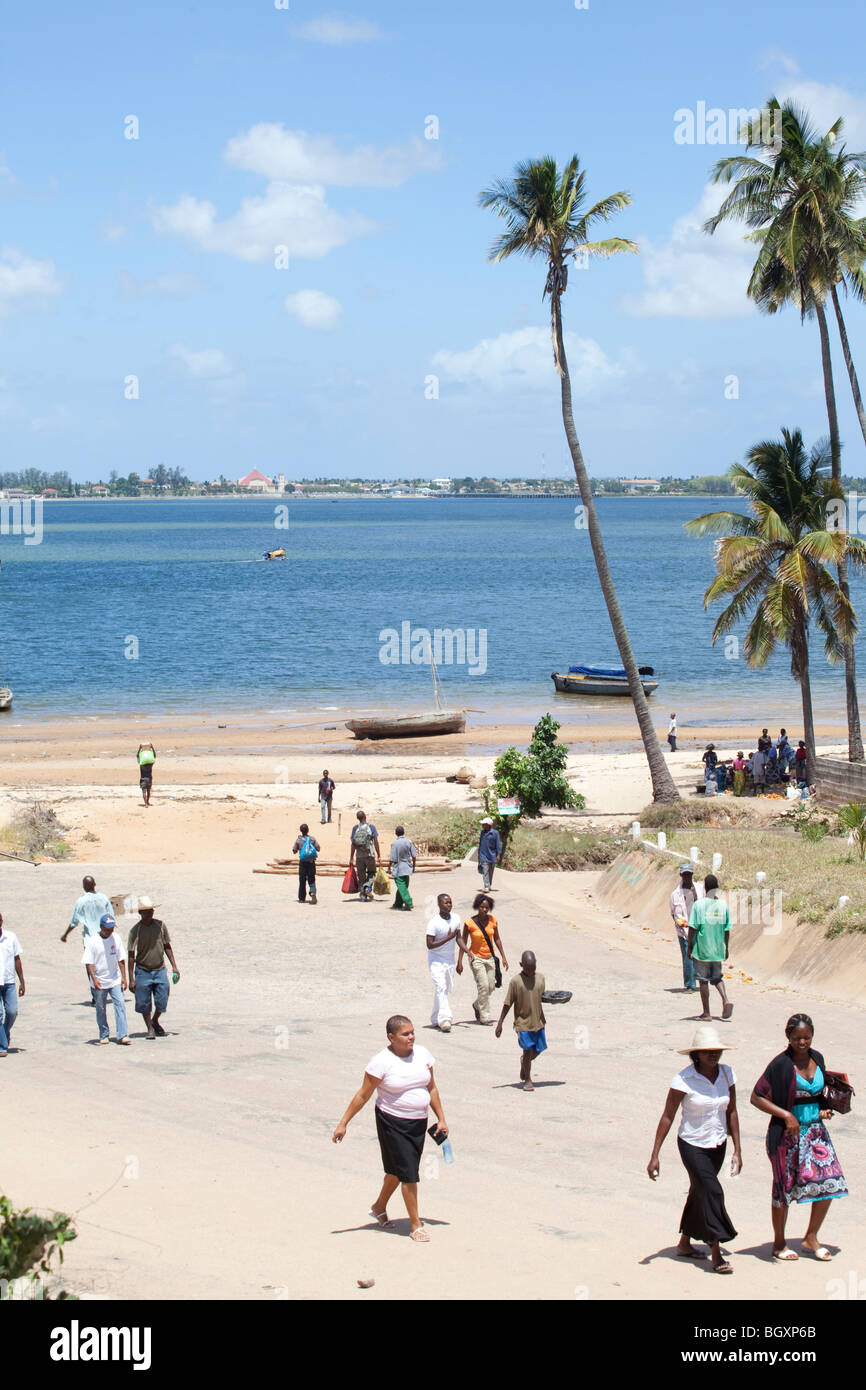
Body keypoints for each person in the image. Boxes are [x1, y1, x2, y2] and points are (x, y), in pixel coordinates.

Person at [332, 1015, 448, 1242]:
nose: (411, 1037)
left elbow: (432, 1088)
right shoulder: (381, 1062)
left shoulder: (423, 1055)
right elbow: (363, 1095)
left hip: (418, 1122)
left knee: (397, 1170)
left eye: (413, 1032)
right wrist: (343, 1123)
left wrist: (441, 1119)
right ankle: (416, 1225)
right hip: (392, 1122)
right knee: (409, 1173)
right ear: (391, 1037)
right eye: (405, 1034)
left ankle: (379, 1206)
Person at [750, 1013, 848, 1261]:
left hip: (816, 1133)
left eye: (806, 1037)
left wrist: (824, 1108)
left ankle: (811, 1236)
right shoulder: (780, 1065)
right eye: (796, 1038)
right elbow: (757, 1096)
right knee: (783, 1189)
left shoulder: (818, 1058)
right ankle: (779, 1243)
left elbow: (818, 1093)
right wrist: (786, 1115)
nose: (802, 1042)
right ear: (788, 1038)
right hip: (786, 1136)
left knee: (831, 1182)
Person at [647, 1024, 741, 1274]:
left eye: (717, 1051)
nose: (713, 1055)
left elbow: (732, 1112)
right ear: (696, 1053)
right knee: (712, 1191)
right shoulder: (683, 1079)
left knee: (699, 1191)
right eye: (707, 1051)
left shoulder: (727, 1074)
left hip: (717, 1145)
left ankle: (685, 1243)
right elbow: (667, 1116)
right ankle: (716, 1251)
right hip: (691, 1145)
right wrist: (655, 1155)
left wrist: (737, 1149)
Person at [127, 896, 179, 1040]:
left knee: (162, 1000)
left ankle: (155, 1019)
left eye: (151, 911)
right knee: (144, 1002)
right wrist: (131, 979)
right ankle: (149, 1027)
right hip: (143, 970)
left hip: (159, 969)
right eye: (146, 912)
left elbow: (167, 945)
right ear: (140, 913)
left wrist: (174, 966)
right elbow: (131, 955)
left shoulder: (160, 926)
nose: (150, 914)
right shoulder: (135, 931)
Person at [495, 949, 546, 1092]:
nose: (530, 971)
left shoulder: (541, 978)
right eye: (527, 968)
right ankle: (528, 1080)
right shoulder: (516, 982)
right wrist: (500, 1023)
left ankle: (524, 1062)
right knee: (528, 1050)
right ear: (521, 964)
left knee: (539, 1049)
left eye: (533, 967)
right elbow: (507, 1003)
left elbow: (540, 996)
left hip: (538, 1021)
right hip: (523, 1023)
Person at [688, 874, 733, 1022]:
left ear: (705, 888)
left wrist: (690, 947)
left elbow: (693, 929)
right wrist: (725, 948)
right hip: (718, 949)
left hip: (703, 950)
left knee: (703, 980)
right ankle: (725, 999)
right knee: (717, 977)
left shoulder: (698, 905)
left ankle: (706, 1013)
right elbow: (727, 930)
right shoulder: (723, 905)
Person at [61, 875, 113, 1003]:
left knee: (91, 966)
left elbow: (74, 922)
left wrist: (65, 934)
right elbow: (111, 917)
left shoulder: (81, 901)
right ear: (95, 884)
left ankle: (96, 995)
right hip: (104, 936)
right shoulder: (104, 898)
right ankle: (104, 991)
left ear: (84, 887)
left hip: (89, 939)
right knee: (104, 963)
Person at [458, 892, 508, 1024]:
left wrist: (503, 957)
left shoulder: (493, 920)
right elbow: (462, 942)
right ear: (477, 907)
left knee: (491, 987)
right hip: (476, 958)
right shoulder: (469, 923)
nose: (484, 910)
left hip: (490, 958)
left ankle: (476, 1005)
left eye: (486, 907)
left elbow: (497, 939)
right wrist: (460, 961)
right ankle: (484, 1016)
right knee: (483, 986)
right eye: (482, 907)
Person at [425, 893, 471, 1033]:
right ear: (439, 905)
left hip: (449, 960)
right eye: (446, 903)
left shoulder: (456, 918)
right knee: (441, 987)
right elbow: (430, 944)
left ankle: (435, 1017)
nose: (449, 905)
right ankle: (445, 1019)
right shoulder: (434, 923)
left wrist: (468, 951)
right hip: (436, 961)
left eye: (450, 902)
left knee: (445, 989)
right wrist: (447, 937)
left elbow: (458, 938)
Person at [84, 914, 130, 1045]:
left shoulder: (116, 938)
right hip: (99, 980)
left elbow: (121, 959)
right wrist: (94, 979)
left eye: (112, 928)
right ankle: (104, 1034)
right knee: (101, 1008)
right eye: (108, 928)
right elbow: (89, 963)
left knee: (120, 1004)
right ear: (101, 927)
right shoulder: (93, 941)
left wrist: (124, 977)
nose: (110, 931)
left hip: (114, 979)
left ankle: (122, 1035)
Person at [670, 864, 702, 992]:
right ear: (681, 875)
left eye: (689, 874)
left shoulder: (700, 889)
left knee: (699, 956)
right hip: (684, 930)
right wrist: (681, 926)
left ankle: (703, 980)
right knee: (687, 957)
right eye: (685, 874)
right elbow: (673, 913)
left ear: (692, 875)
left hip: (699, 928)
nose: (687, 877)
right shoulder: (675, 894)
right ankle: (690, 985)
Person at [0, 912, 25, 1058]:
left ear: (1, 921)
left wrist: (22, 981)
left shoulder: (11, 937)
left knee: (12, 1012)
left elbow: (17, 959)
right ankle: (3, 1045)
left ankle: (3, 1032)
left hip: (9, 981)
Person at [349, 811, 381, 902]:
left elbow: (353, 844)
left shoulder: (355, 828)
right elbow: (376, 842)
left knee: (361, 876)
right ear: (365, 817)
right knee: (371, 873)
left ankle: (363, 896)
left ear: (357, 818)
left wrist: (351, 857)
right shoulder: (371, 827)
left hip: (359, 856)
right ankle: (368, 888)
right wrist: (379, 855)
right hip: (370, 855)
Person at [389, 825, 418, 911]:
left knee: (402, 887)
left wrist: (388, 867)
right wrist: (414, 866)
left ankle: (409, 902)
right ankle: (398, 903)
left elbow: (392, 858)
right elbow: (414, 855)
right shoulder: (408, 842)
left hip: (398, 869)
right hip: (407, 868)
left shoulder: (395, 844)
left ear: (396, 833)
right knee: (403, 887)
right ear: (403, 832)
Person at [291, 823, 320, 904]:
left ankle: (301, 898)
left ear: (301, 831)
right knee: (312, 879)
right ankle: (312, 892)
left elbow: (294, 851)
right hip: (311, 863)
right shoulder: (312, 839)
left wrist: (298, 846)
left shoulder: (299, 840)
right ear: (308, 830)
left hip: (303, 863)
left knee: (302, 880)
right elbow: (318, 848)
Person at [477, 817, 502, 890]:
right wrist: (479, 855)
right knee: (485, 871)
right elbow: (481, 843)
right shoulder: (482, 832)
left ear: (489, 825)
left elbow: (498, 844)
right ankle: (486, 886)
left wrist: (498, 855)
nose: (483, 826)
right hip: (483, 855)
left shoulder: (495, 833)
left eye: (484, 824)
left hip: (492, 855)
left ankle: (489, 885)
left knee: (490, 872)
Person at [137, 741, 156, 808]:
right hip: (149, 779)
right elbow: (154, 756)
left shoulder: (141, 765)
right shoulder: (150, 765)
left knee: (144, 792)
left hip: (143, 779)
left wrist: (140, 749)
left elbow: (138, 756)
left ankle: (146, 804)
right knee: (148, 791)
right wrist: (152, 747)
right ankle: (147, 801)